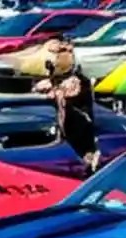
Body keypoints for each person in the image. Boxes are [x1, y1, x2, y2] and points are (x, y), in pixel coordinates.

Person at [33, 39, 100, 174]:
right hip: (61, 128)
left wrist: (54, 89)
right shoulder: (52, 82)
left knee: (82, 155)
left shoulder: (78, 81)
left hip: (78, 128)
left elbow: (72, 94)